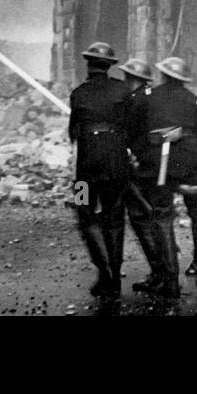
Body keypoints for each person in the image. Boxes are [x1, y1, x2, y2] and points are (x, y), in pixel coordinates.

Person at [125, 56, 197, 299]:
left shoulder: (147, 97)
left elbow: (134, 132)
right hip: (189, 166)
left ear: (162, 75)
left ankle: (169, 280)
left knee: (161, 217)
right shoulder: (195, 100)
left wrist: (142, 155)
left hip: (156, 166)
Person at [66, 42, 131, 298]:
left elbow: (73, 133)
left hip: (85, 172)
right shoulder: (123, 91)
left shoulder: (78, 94)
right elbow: (130, 127)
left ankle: (104, 272)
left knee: (84, 212)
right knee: (115, 217)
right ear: (110, 66)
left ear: (89, 65)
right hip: (116, 167)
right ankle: (114, 276)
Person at [118, 57, 164, 292]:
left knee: (141, 220)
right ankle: (165, 270)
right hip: (158, 167)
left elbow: (127, 134)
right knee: (156, 218)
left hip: (140, 169)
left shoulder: (134, 102)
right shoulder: (155, 97)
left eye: (127, 77)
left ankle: (159, 273)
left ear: (132, 79)